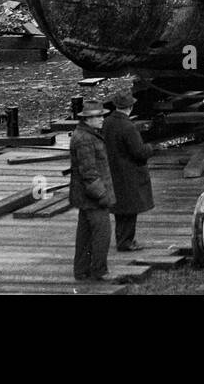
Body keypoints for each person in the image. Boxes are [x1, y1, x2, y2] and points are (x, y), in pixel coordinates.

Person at [102, 84, 155, 252]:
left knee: (121, 209)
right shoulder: (128, 127)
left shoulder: (107, 123)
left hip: (113, 170)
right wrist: (151, 148)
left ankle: (122, 239)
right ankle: (126, 242)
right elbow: (139, 152)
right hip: (129, 172)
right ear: (130, 107)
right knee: (131, 208)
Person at [69, 101, 115, 281]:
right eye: (98, 116)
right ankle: (99, 271)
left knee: (85, 234)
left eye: (102, 115)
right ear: (88, 119)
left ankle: (81, 270)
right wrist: (102, 195)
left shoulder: (85, 135)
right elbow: (88, 173)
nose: (102, 119)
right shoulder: (85, 139)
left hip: (85, 196)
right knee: (102, 234)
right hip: (92, 197)